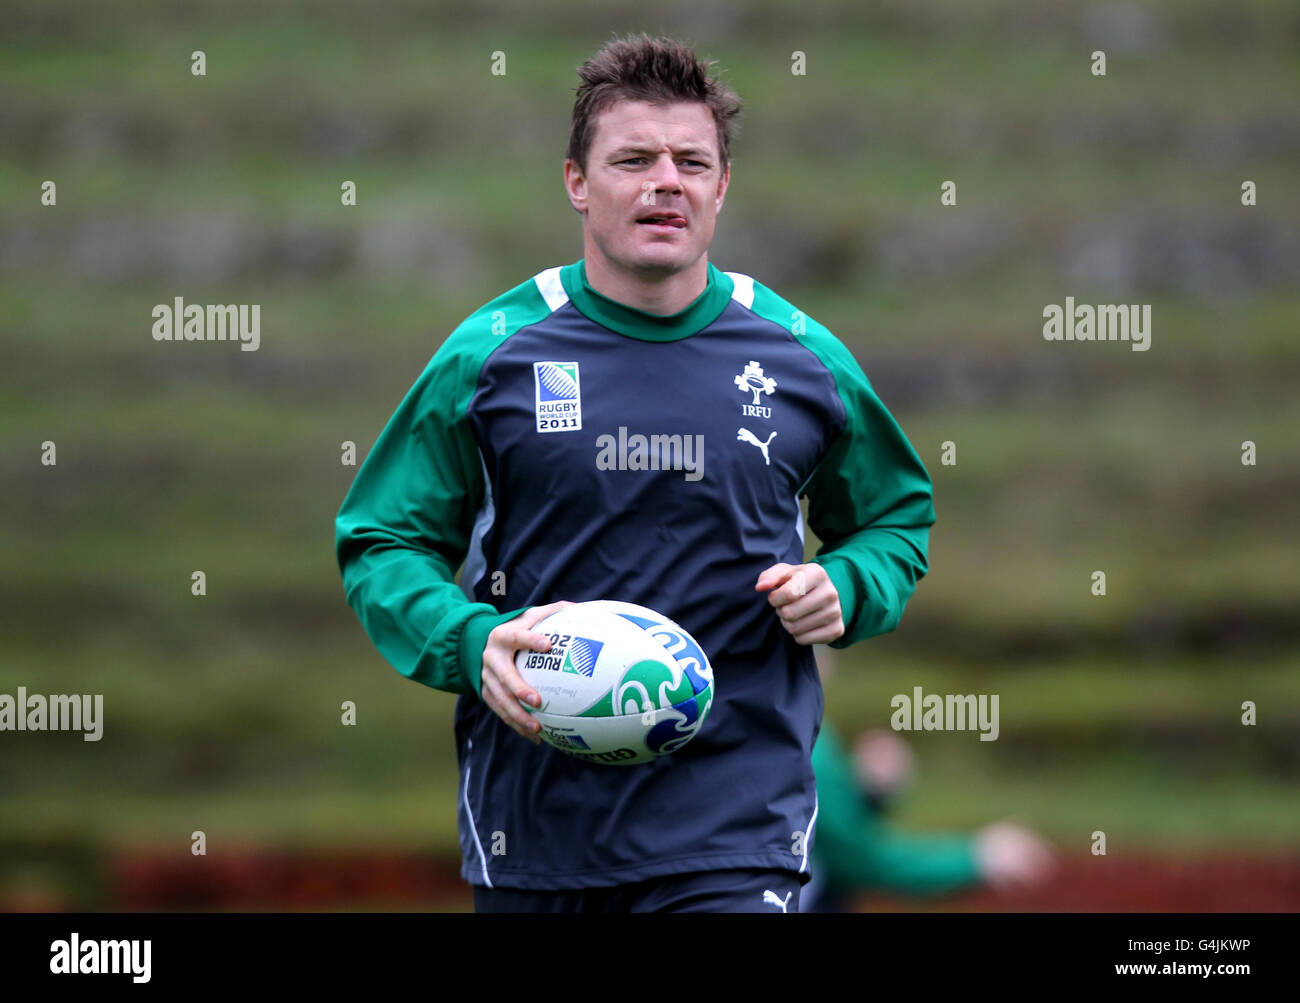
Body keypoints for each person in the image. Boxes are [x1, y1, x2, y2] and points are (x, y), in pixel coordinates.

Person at [334, 33, 936, 913]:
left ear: (722, 186)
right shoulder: (492, 356)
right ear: (577, 181)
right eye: (633, 159)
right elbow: (383, 539)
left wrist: (848, 582)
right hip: (535, 834)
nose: (668, 180)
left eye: (693, 160)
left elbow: (896, 517)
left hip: (735, 828)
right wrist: (469, 640)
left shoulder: (801, 359)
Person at [804, 650, 1056, 911]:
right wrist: (976, 857)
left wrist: (868, 797)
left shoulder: (805, 732)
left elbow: (824, 835)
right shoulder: (808, 746)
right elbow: (858, 858)